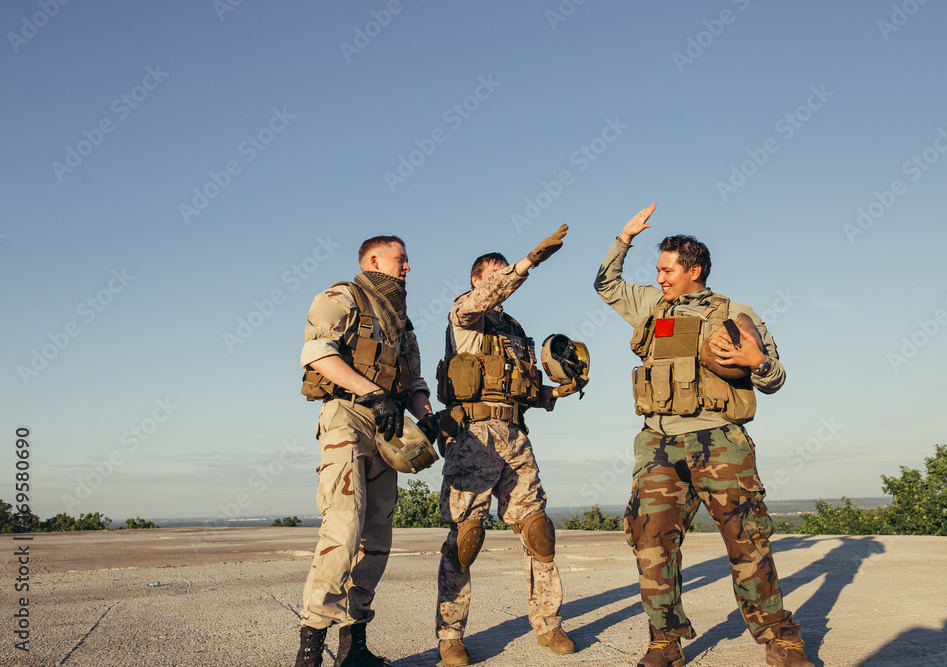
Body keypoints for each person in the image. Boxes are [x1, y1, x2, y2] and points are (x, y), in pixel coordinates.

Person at [594, 203, 816, 667]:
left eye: (666, 269)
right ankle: (664, 642)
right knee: (651, 541)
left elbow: (774, 379)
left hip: (719, 440)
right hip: (657, 442)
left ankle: (780, 638)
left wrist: (757, 363)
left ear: (693, 270)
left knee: (747, 538)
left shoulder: (736, 313)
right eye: (657, 269)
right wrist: (624, 237)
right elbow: (605, 284)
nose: (659, 277)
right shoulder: (651, 307)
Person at [434, 224, 580, 666]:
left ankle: (549, 623)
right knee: (466, 535)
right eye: (495, 276)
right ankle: (450, 633)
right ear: (479, 280)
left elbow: (526, 390)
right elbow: (485, 298)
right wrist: (528, 262)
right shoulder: (466, 314)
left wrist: (559, 391)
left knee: (539, 532)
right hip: (473, 439)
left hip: (515, 436)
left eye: (506, 275)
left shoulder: (514, 330)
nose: (503, 282)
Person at [295, 235, 438, 667]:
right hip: (348, 414)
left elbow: (414, 382)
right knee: (344, 526)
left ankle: (353, 646)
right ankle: (310, 649)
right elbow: (316, 352)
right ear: (374, 259)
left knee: (376, 539)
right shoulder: (342, 296)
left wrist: (426, 418)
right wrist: (374, 394)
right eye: (401, 259)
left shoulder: (402, 321)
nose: (408, 267)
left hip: (389, 427)